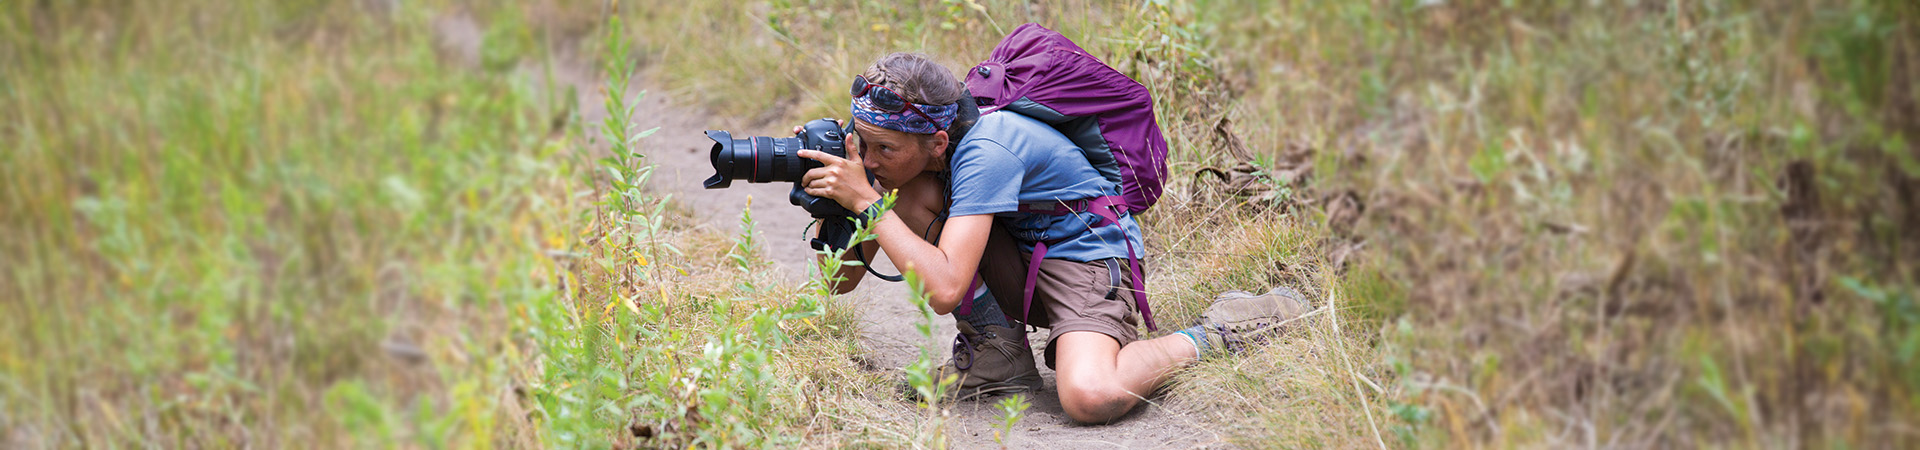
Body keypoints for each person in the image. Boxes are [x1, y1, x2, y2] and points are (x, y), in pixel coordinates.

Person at [797, 52, 1310, 424]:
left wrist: (864, 201)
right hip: (1025, 254)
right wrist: (836, 206)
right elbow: (839, 281)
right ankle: (999, 355)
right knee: (905, 199)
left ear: (937, 143)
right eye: (860, 144)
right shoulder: (906, 161)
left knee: (1091, 396)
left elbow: (947, 288)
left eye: (883, 148)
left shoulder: (987, 150)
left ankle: (1222, 327)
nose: (866, 161)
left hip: (1085, 257)